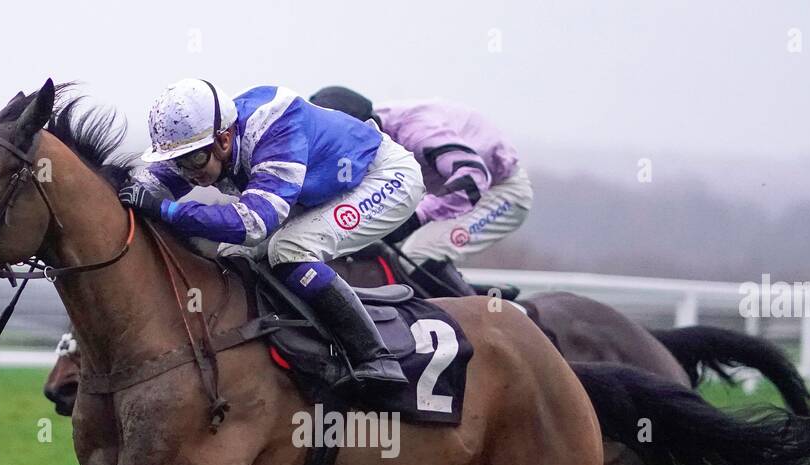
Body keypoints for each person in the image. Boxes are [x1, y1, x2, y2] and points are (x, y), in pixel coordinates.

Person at [119, 79, 425, 384]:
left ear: (224, 140)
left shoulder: (274, 128)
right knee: (231, 254)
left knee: (289, 249)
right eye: (177, 162)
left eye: (194, 159)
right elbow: (148, 183)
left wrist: (167, 210)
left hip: (382, 177)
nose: (188, 172)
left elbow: (253, 223)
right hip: (321, 190)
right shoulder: (203, 139)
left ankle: (375, 357)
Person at [309, 86, 533, 298]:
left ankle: (485, 323)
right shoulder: (364, 126)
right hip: (446, 190)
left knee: (418, 254)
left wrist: (418, 217)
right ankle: (475, 293)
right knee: (397, 252)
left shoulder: (418, 133)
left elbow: (472, 179)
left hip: (498, 191)